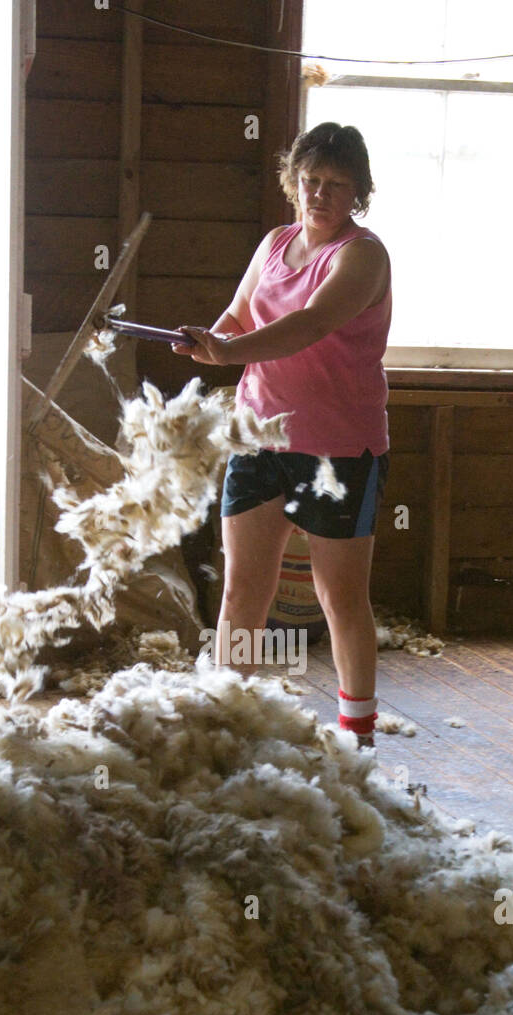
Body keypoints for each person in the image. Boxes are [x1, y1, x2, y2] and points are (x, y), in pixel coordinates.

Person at [173, 122, 391, 747]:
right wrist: (209, 339)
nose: (320, 195)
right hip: (258, 437)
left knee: (339, 595)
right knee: (242, 588)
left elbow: (311, 323)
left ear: (358, 193)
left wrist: (230, 350)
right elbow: (240, 311)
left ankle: (359, 732)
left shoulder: (363, 254)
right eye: (310, 181)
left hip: (337, 448)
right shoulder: (275, 241)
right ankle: (225, 721)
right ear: (292, 182)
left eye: (337, 185)